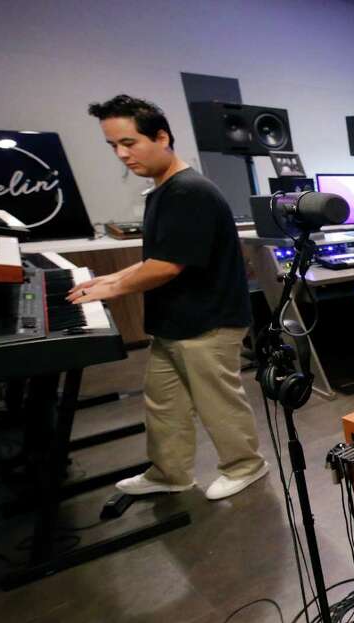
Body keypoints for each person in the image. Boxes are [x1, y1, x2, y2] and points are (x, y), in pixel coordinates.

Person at [73, 95, 268, 500]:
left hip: (208, 322)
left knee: (218, 403)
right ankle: (169, 472)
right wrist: (111, 276)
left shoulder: (189, 191)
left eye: (129, 143)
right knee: (164, 404)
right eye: (113, 146)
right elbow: (157, 256)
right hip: (175, 322)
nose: (122, 154)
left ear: (162, 137)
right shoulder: (163, 189)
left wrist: (110, 288)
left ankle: (246, 465)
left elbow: (166, 267)